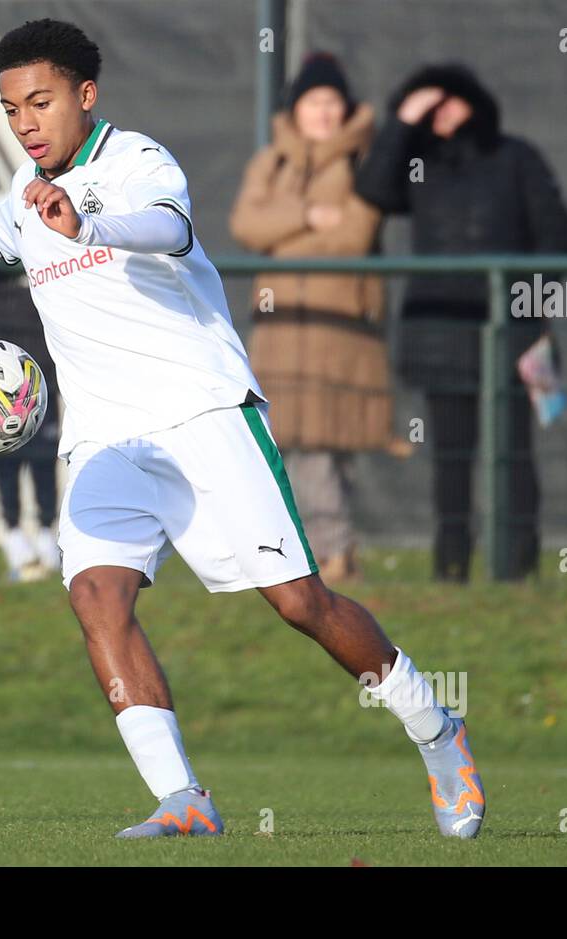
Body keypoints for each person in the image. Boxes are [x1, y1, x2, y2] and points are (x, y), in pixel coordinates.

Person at [0, 19, 484, 839]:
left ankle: (437, 730)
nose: (26, 122)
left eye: (40, 101)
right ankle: (183, 798)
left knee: (300, 603)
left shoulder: (138, 163)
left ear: (86, 95)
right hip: (108, 438)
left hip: (203, 414)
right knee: (95, 596)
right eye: (11, 109)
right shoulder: (25, 192)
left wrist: (88, 224)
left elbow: (169, 228)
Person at [354, 64, 567, 582]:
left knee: (514, 452)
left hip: (509, 332)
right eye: (431, 106)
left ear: (476, 103)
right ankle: (450, 566)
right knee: (452, 456)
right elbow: (375, 190)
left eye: (452, 101)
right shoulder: (418, 163)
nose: (442, 112)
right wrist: (402, 121)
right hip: (439, 331)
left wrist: (525, 307)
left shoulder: (516, 158)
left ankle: (518, 566)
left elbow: (554, 235)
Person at [229, 52, 396, 584]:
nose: (323, 113)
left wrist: (290, 232)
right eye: (313, 102)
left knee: (326, 448)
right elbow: (247, 225)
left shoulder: (366, 159)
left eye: (332, 102)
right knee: (292, 443)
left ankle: (334, 552)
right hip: (281, 331)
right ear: (296, 109)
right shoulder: (271, 161)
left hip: (340, 329)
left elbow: (353, 236)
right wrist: (306, 215)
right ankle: (317, 553)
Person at [0, 257, 63, 582]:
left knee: (44, 458)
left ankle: (49, 536)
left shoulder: (51, 249)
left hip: (42, 376)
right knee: (3, 457)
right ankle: (13, 536)